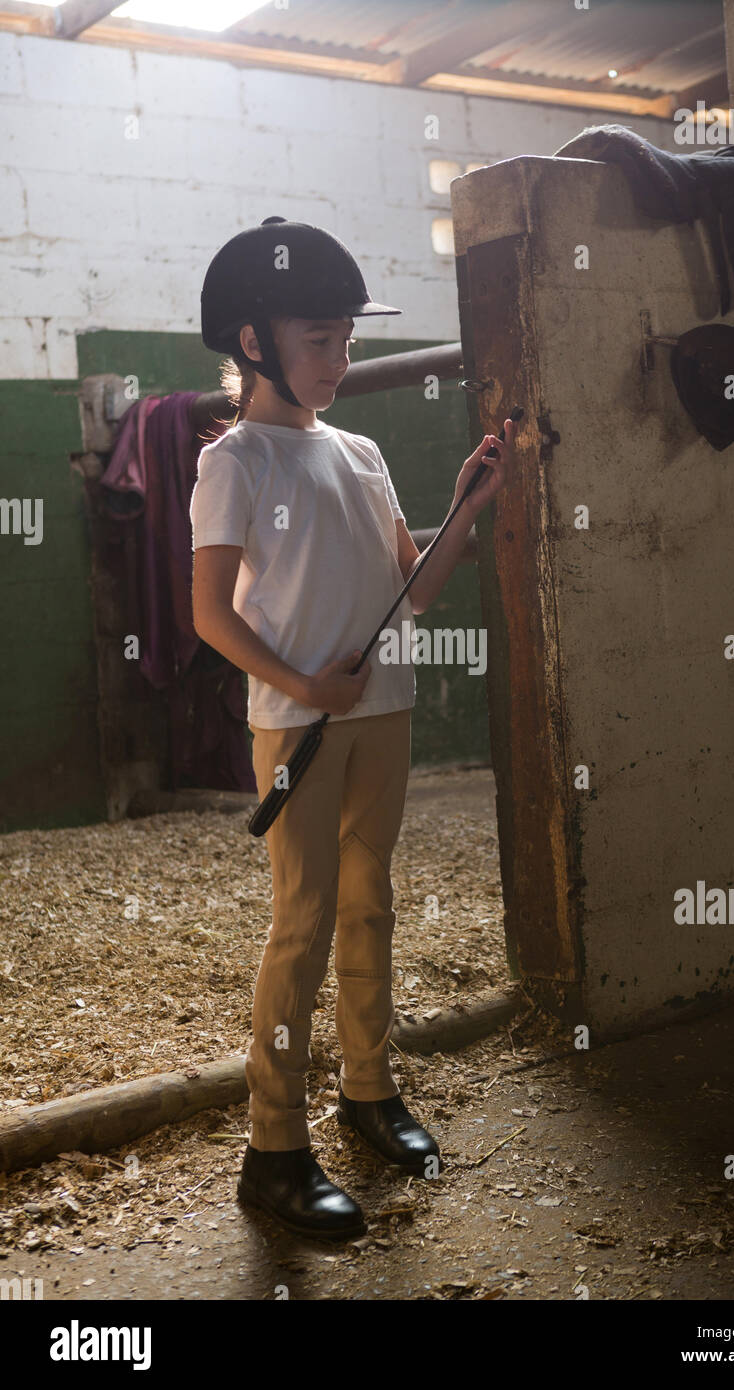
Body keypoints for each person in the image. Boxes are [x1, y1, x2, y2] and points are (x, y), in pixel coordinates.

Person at [191, 217, 516, 1241]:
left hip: (385, 714)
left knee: (370, 900)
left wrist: (467, 506)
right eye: (321, 341)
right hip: (300, 728)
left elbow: (409, 589)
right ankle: (273, 1147)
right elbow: (209, 614)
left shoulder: (363, 451)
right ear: (254, 343)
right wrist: (299, 685)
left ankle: (369, 1092)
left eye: (346, 339)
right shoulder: (234, 461)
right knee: (303, 923)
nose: (342, 359)